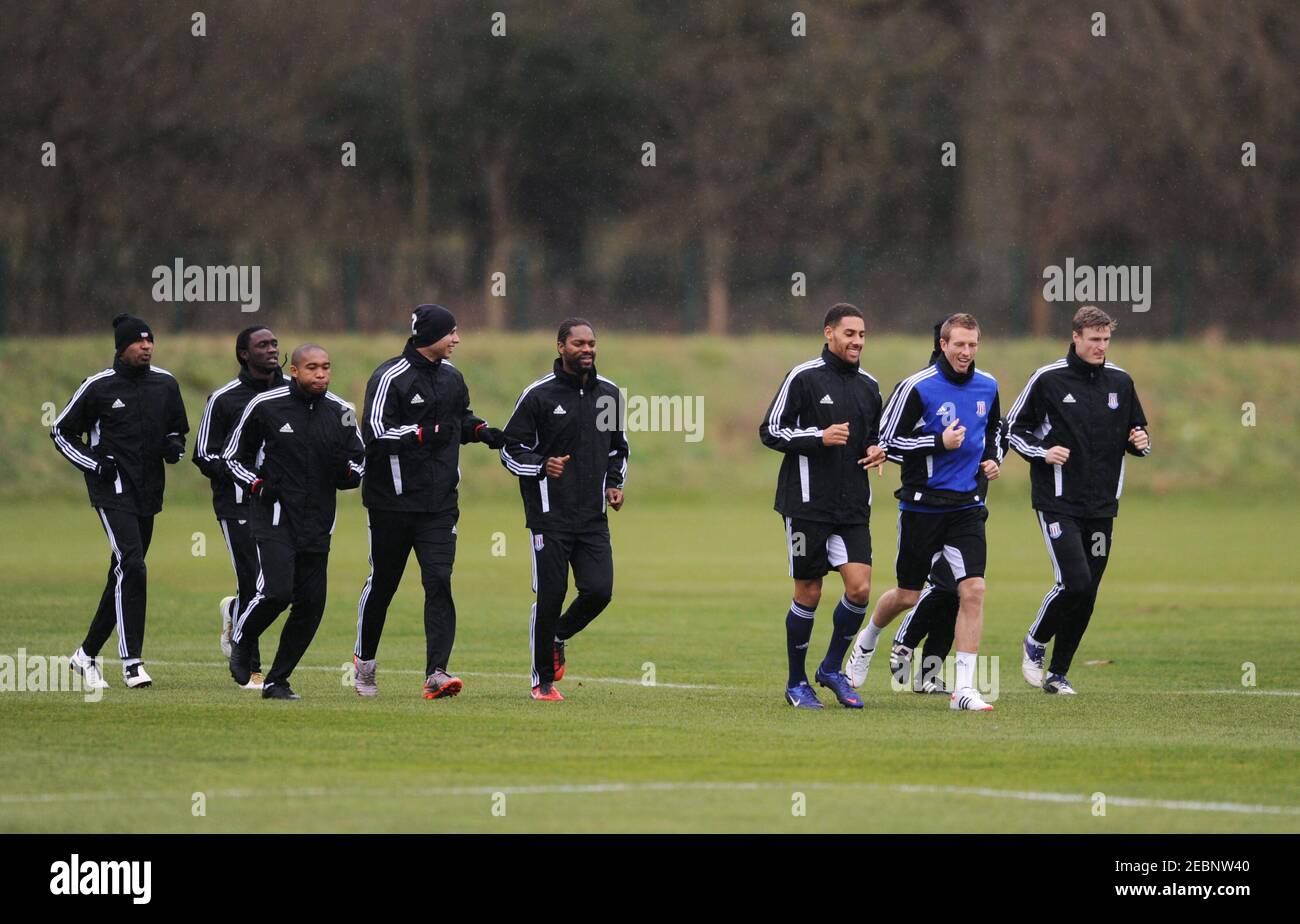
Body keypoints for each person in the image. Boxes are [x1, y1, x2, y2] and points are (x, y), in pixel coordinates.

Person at [847, 313, 1003, 712]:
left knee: (973, 590)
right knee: (907, 594)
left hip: (967, 506)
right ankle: (867, 641)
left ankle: (963, 689)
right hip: (922, 506)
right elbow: (885, 443)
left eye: (973, 345)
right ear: (944, 345)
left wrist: (992, 460)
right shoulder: (917, 387)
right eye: (959, 345)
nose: (966, 352)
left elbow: (993, 433)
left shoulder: (989, 385)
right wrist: (938, 441)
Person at [352, 304, 506, 699]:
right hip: (392, 503)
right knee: (384, 583)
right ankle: (364, 663)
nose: (457, 339)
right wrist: (422, 433)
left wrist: (481, 430)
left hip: (439, 504)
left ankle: (436, 673)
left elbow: (458, 422)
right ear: (430, 336)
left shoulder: (453, 378)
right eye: (451, 332)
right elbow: (375, 432)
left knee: (438, 580)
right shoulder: (390, 376)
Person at [1006, 306, 1151, 694]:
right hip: (1058, 501)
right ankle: (1035, 641)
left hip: (1102, 505)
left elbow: (1136, 432)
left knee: (1088, 590)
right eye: (1094, 339)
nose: (1101, 346)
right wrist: (1043, 452)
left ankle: (1058, 672)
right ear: (1076, 337)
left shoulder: (1120, 382)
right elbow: (1012, 430)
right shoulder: (1048, 379)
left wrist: (1140, 443)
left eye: (1106, 339)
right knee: (1074, 579)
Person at [51, 313, 189, 689]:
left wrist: (174, 447)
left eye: (150, 341)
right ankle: (132, 662)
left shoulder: (165, 384)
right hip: (111, 492)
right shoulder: (98, 387)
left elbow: (178, 428)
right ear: (121, 347)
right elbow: (61, 432)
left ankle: (85, 655)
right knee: (134, 565)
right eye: (137, 342)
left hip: (148, 493)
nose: (145, 347)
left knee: (124, 571)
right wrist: (96, 465)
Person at [758, 303, 885, 709]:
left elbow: (874, 436)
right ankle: (796, 682)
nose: (857, 342)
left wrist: (875, 450)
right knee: (809, 591)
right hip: (806, 506)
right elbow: (771, 430)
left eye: (862, 335)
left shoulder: (869, 385)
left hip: (852, 508)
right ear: (829, 332)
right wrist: (818, 436)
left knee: (861, 588)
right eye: (850, 334)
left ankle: (831, 668)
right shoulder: (804, 377)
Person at [223, 344, 365, 701]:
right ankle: (241, 637)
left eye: (326, 367)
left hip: (318, 521)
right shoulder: (266, 406)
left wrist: (348, 473)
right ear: (295, 371)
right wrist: (256, 484)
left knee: (312, 605)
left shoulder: (342, 411)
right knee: (276, 592)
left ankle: (277, 681)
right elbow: (232, 456)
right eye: (312, 367)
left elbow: (359, 461)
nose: (321, 374)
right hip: (273, 516)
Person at [500, 318, 629, 701]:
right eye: (578, 343)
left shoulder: (608, 395)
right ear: (560, 347)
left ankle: (558, 634)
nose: (587, 349)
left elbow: (617, 449)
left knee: (599, 591)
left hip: (592, 517)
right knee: (551, 594)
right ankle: (542, 682)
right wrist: (542, 464)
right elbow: (510, 449)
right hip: (549, 516)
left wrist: (614, 484)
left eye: (592, 343)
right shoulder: (539, 395)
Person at [192, 326, 286, 689]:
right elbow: (204, 454)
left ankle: (235, 613)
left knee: (282, 584)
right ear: (243, 354)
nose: (272, 349)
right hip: (237, 504)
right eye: (263, 345)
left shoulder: (289, 394)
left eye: (275, 344)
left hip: (281, 504)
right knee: (252, 579)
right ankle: (250, 666)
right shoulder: (225, 399)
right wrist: (245, 477)